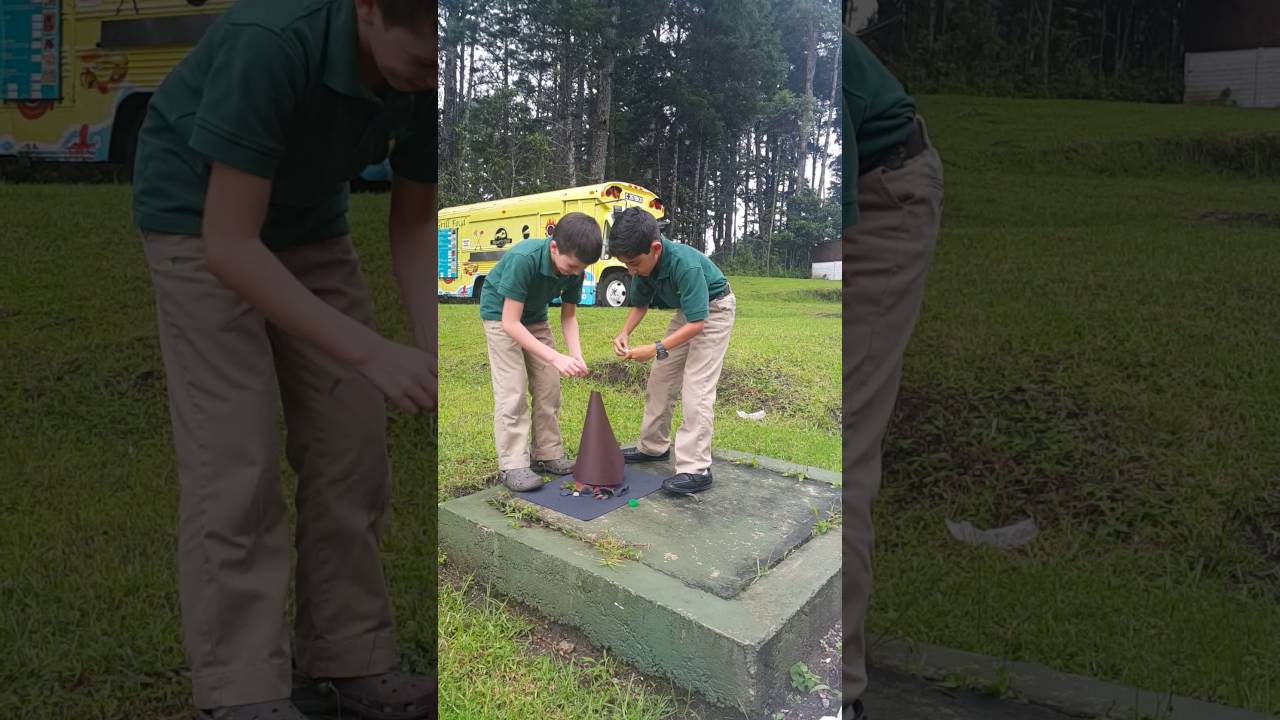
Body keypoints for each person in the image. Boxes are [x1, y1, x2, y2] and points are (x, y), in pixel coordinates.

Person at [130, 1, 439, 718]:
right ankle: (242, 691)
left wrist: (427, 353)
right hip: (197, 217)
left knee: (353, 441)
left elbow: (416, 221)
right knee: (234, 454)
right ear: (367, 10)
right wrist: (371, 351)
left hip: (309, 222)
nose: (428, 82)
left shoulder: (429, 76)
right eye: (419, 61)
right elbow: (230, 244)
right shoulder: (270, 41)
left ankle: (347, 659)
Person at [842, 27, 944, 720]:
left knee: (832, 450)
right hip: (840, 179)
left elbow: (818, 207)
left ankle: (826, 694)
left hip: (879, 194)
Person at [608, 207, 736, 495]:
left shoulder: (684, 263)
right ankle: (653, 447)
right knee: (661, 377)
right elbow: (640, 305)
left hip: (714, 310)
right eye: (625, 264)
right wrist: (624, 333)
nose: (630, 271)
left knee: (697, 386)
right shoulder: (641, 264)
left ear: (655, 248)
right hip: (688, 313)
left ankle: (696, 469)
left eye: (634, 264)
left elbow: (698, 323)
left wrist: (654, 348)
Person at [479, 212, 600, 491]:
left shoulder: (575, 269)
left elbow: (568, 317)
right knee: (513, 390)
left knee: (549, 384)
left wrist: (575, 353)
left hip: (534, 317)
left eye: (580, 269)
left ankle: (546, 454)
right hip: (500, 316)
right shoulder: (525, 259)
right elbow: (510, 322)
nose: (574, 273)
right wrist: (556, 356)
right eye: (571, 266)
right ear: (553, 248)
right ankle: (513, 465)